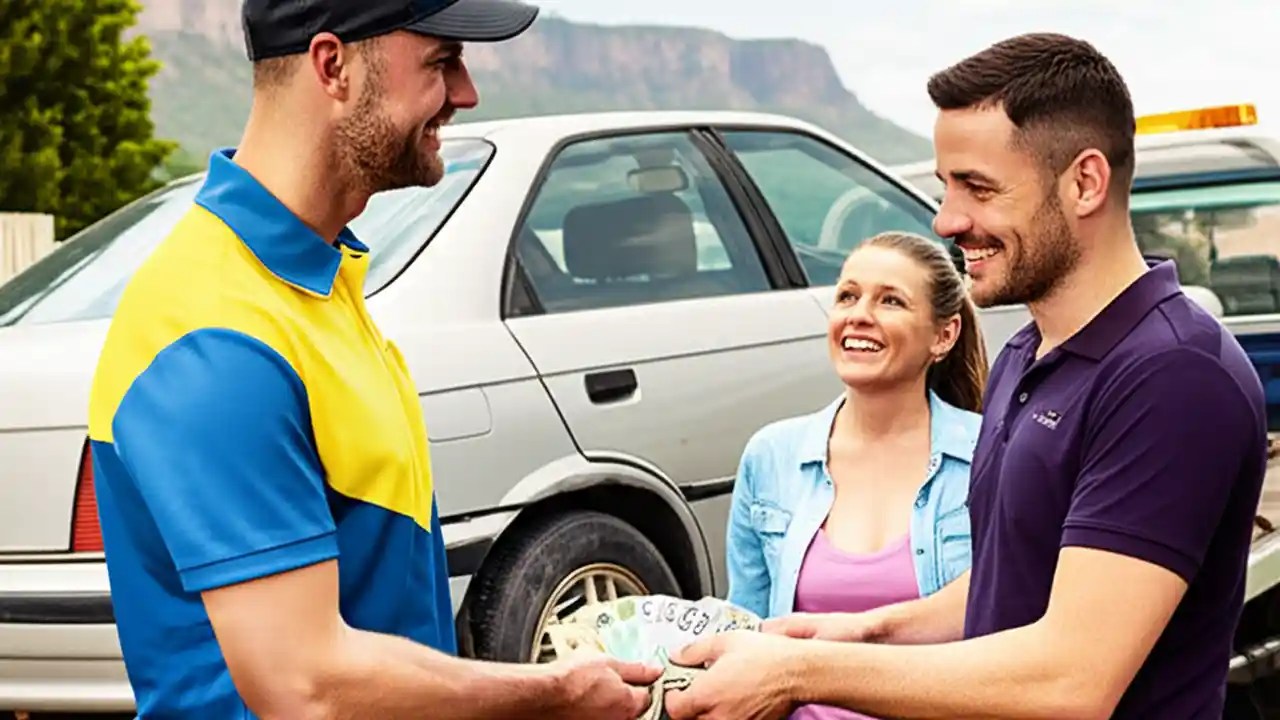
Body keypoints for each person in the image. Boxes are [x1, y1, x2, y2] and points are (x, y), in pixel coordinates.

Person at [664, 31, 1269, 720]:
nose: (948, 220)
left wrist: (802, 671)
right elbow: (1010, 585)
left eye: (977, 188)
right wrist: (865, 628)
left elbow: (1071, 682)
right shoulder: (1026, 355)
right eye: (947, 186)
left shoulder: (1174, 377)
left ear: (1085, 182)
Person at [85, 1, 660, 718]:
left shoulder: (314, 282)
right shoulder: (216, 333)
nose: (466, 93)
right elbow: (305, 685)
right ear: (334, 67)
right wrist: (553, 695)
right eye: (441, 62)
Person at [723, 231, 986, 720]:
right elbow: (745, 631)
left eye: (891, 300)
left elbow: (1020, 628)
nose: (859, 314)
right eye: (847, 295)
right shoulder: (771, 457)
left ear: (943, 335)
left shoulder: (994, 455)